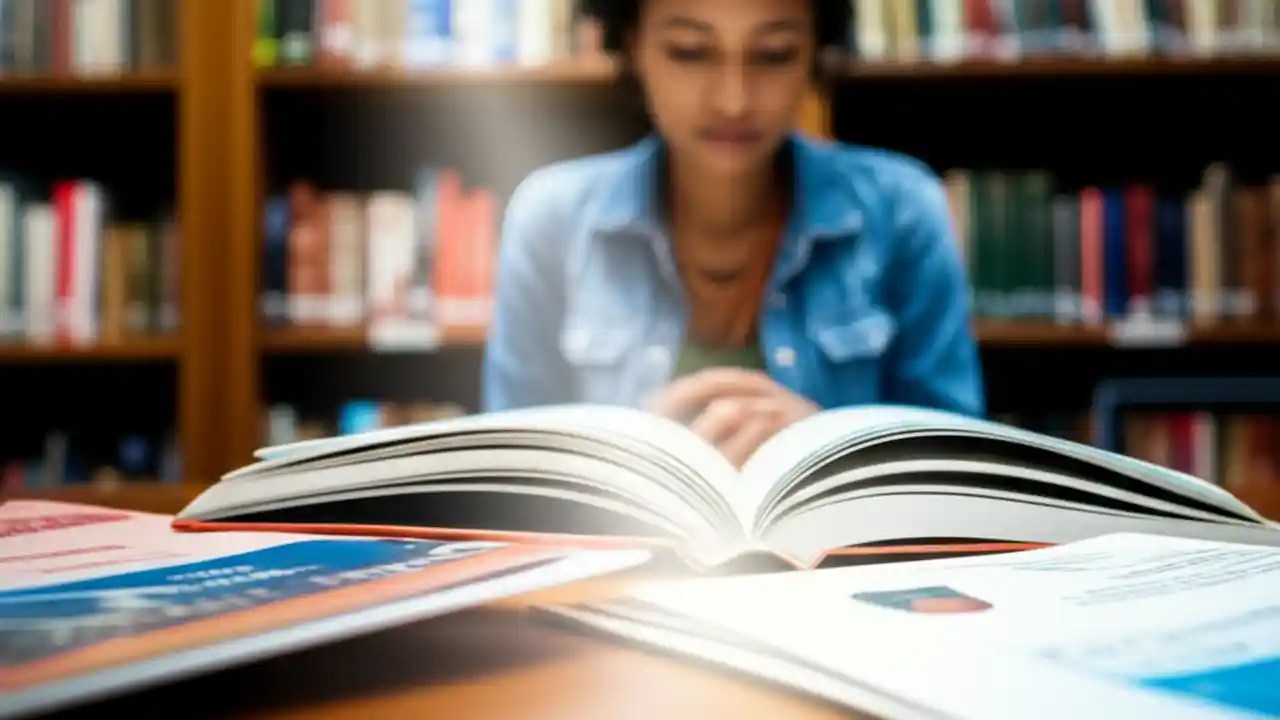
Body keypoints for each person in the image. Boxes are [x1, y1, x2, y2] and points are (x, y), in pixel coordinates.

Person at [482, 0, 985, 466]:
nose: (733, 99)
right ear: (633, 45)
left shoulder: (902, 209)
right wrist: (624, 466)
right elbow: (512, 475)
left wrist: (827, 448)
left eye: (773, 54)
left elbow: (960, 468)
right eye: (691, 52)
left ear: (814, 52)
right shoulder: (550, 218)